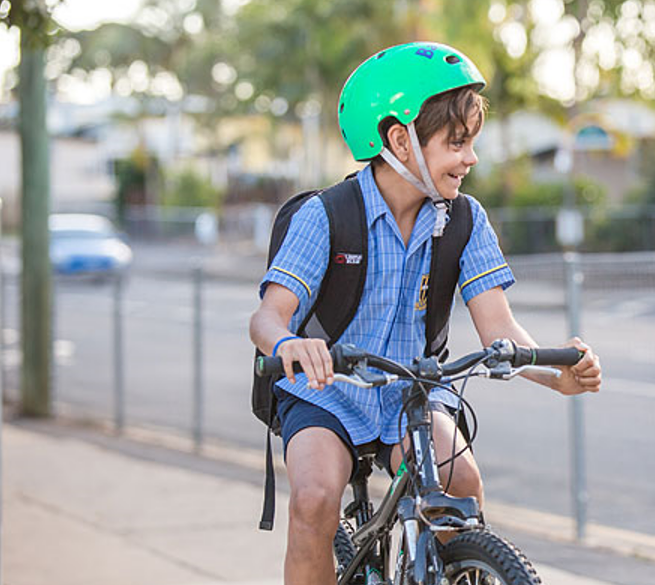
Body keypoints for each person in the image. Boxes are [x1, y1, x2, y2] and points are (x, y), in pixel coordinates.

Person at [248, 42, 603, 585]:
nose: (471, 158)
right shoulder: (326, 215)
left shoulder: (464, 219)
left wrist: (557, 377)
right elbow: (269, 316)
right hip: (327, 390)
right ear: (399, 140)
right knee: (315, 500)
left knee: (460, 481)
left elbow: (500, 330)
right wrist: (288, 344)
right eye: (455, 143)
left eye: (471, 142)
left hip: (411, 391)